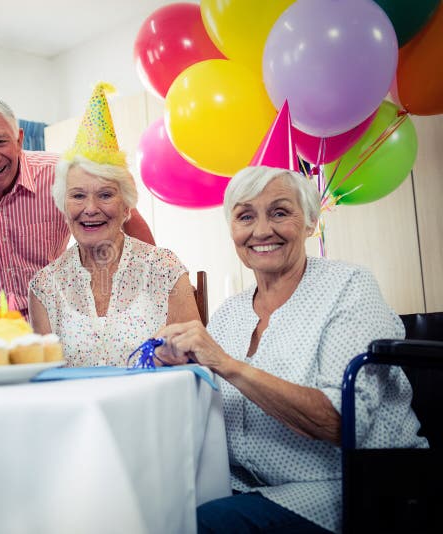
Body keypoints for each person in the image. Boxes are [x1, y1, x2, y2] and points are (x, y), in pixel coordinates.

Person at [154, 165, 427, 533]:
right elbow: (207, 409)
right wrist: (178, 368)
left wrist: (226, 364)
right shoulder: (229, 313)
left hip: (347, 484)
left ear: (310, 222)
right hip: (246, 484)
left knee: (203, 526)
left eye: (280, 212)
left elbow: (344, 422)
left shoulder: (349, 288)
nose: (262, 230)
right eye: (245, 216)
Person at [0, 57, 155, 317]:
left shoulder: (60, 173)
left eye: (0, 141)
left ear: (19, 139)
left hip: (61, 316)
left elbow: (126, 217)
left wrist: (152, 281)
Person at [27, 83, 199, 367]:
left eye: (105, 194)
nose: (91, 209)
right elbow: (46, 383)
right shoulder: (44, 286)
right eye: (78, 195)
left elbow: (195, 362)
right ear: (63, 205)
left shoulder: (164, 269)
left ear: (126, 205)